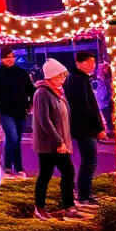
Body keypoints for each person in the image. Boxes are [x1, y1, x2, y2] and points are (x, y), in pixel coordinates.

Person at [34, 59, 77, 219]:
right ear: (51, 77)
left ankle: (68, 205)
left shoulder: (57, 91)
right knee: (47, 174)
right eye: (60, 76)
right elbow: (44, 119)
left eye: (64, 76)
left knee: (65, 171)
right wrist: (58, 141)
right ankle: (40, 207)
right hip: (49, 143)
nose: (63, 79)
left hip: (60, 142)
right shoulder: (42, 93)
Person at [66, 51, 106, 206]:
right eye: (90, 62)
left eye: (94, 62)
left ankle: (84, 193)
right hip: (85, 127)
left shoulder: (79, 78)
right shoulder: (77, 79)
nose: (93, 66)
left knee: (88, 161)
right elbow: (84, 106)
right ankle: (84, 194)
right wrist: (98, 126)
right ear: (80, 62)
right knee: (90, 161)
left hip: (84, 126)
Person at [0, 50, 33, 178]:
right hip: (4, 111)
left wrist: (30, 104)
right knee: (12, 137)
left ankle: (18, 166)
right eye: (6, 57)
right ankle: (7, 165)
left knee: (17, 140)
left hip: (20, 110)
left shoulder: (22, 73)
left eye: (12, 57)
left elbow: (30, 90)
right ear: (2, 59)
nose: (10, 59)